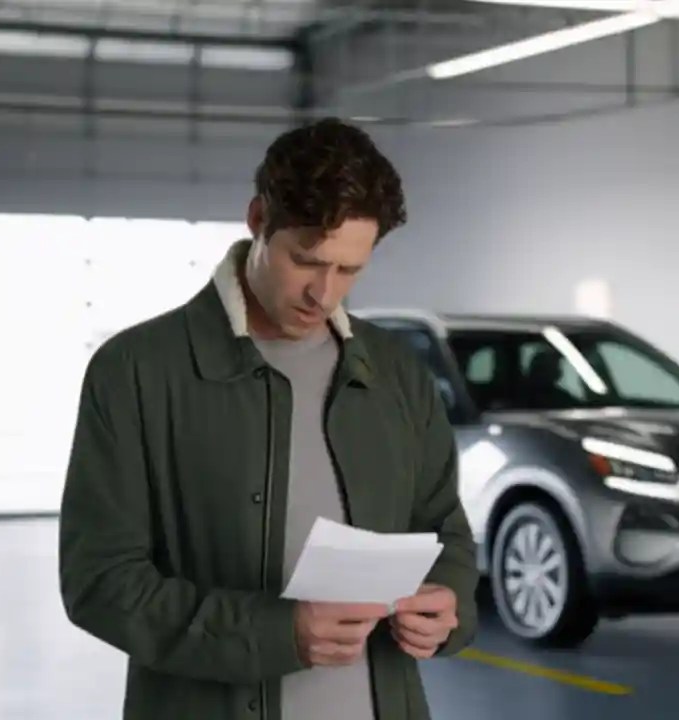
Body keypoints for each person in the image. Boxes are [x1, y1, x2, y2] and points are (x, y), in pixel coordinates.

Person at [59, 117, 478, 720]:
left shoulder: (396, 372)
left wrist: (449, 603)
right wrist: (275, 634)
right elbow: (99, 582)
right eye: (306, 260)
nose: (323, 293)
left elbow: (445, 533)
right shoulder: (135, 370)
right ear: (258, 219)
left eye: (350, 270)